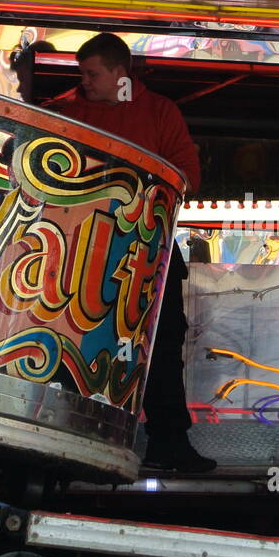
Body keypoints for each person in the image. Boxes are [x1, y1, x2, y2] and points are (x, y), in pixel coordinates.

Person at [34, 33, 216, 473]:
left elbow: (188, 177)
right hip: (81, 244)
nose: (86, 82)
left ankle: (169, 441)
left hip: (146, 245)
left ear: (120, 73)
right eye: (83, 74)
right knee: (72, 334)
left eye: (92, 74)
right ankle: (63, 435)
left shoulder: (159, 112)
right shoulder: (65, 109)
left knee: (162, 340)